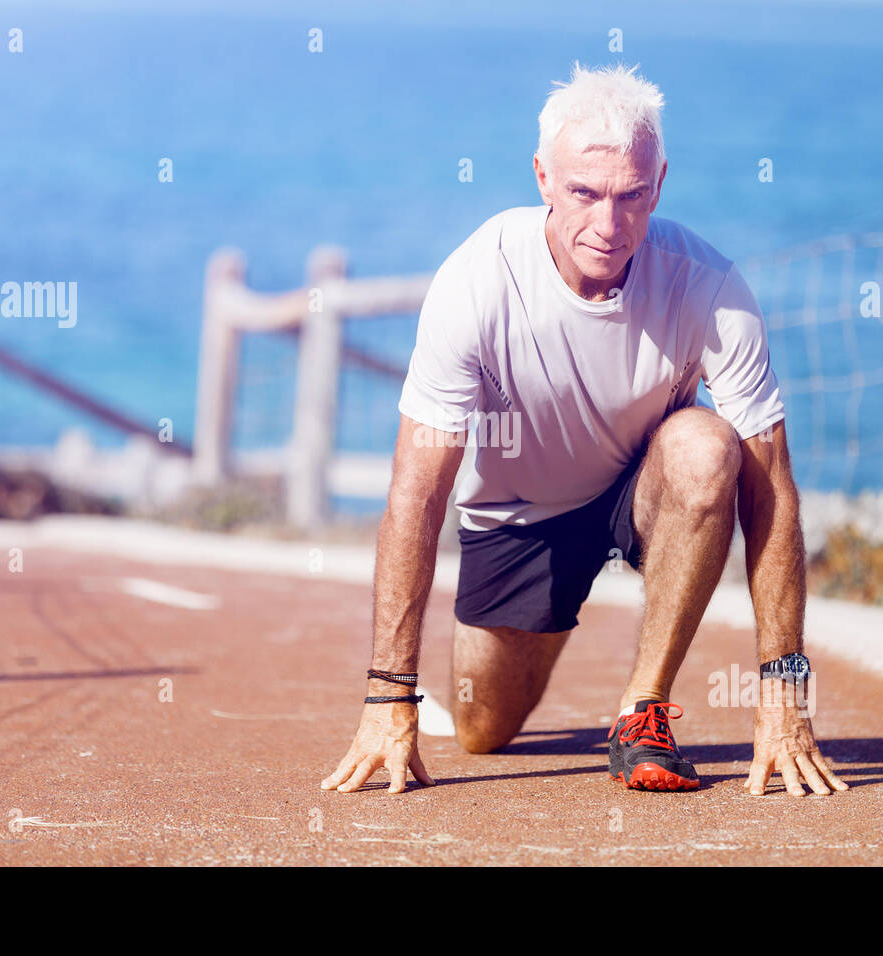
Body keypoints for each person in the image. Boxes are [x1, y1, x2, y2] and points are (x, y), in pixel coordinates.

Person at [322, 63, 848, 797]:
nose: (609, 225)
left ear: (659, 184)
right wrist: (388, 696)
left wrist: (784, 693)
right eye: (585, 193)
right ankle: (548, 612)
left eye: (632, 197)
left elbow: (773, 492)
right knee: (485, 731)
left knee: (707, 450)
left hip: (643, 490)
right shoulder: (477, 282)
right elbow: (416, 493)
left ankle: (644, 711)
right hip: (519, 520)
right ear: (542, 176)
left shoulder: (709, 287)